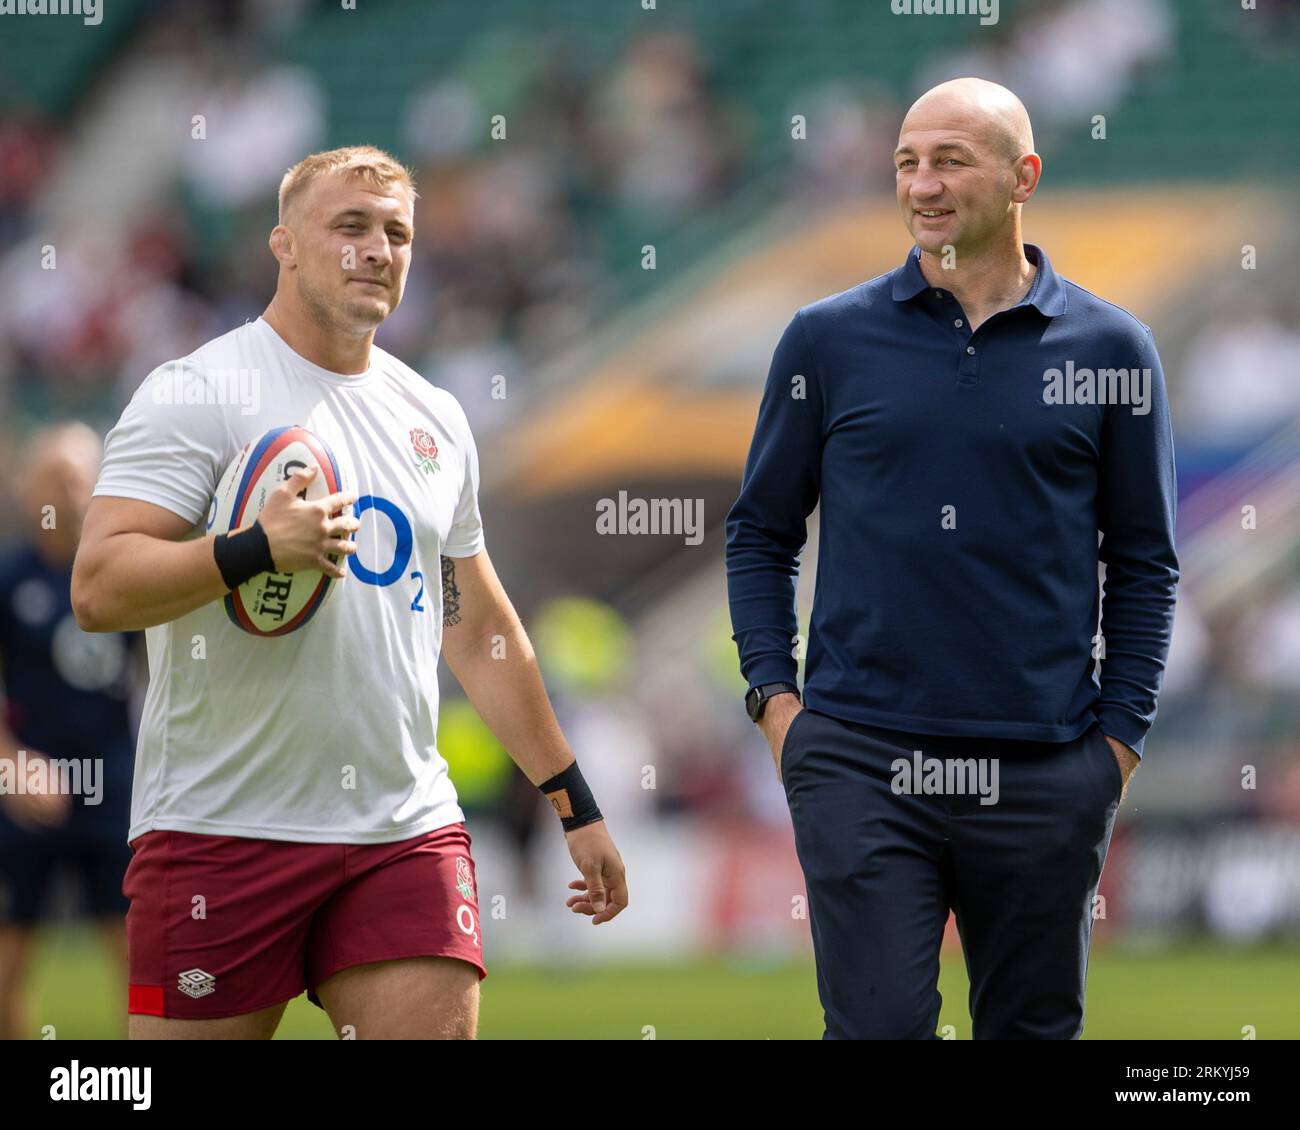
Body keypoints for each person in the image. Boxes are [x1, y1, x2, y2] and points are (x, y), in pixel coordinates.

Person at [72, 145, 627, 1040]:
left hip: (401, 828)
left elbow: (480, 626)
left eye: (398, 233)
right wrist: (254, 549)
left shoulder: (436, 417)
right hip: (222, 825)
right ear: (284, 244)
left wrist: (575, 803)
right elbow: (99, 587)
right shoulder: (196, 391)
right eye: (352, 227)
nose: (379, 249)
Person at [725, 78, 1178, 1039]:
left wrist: (1118, 743)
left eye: (950, 160)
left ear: (1024, 177)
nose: (922, 184)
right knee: (880, 1027)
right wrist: (777, 704)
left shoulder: (1114, 348)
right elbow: (760, 531)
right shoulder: (827, 339)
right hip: (858, 760)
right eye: (906, 161)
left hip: (1048, 767)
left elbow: (1145, 562)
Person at [0, 423, 137, 1039]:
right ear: (29, 489)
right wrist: (9, 763)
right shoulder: (8, 579)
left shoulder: (127, 573)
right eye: (56, 479)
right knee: (7, 967)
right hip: (23, 795)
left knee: (143, 967)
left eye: (80, 480)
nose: (69, 493)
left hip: (115, 791)